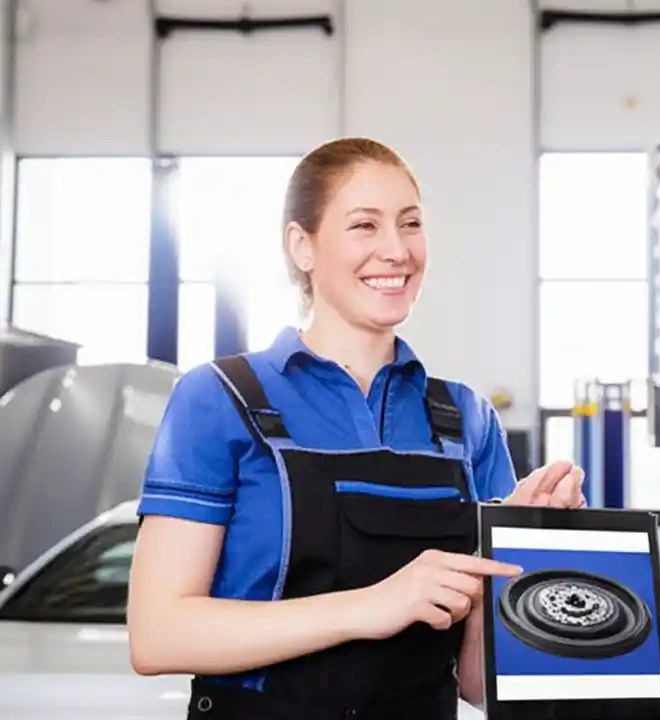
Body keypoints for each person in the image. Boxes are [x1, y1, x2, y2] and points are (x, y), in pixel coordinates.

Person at [126, 137, 586, 719]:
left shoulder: (466, 419)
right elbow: (158, 634)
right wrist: (372, 606)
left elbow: (477, 682)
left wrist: (529, 547)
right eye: (364, 226)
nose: (396, 250)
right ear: (303, 247)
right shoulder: (219, 398)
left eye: (410, 223)